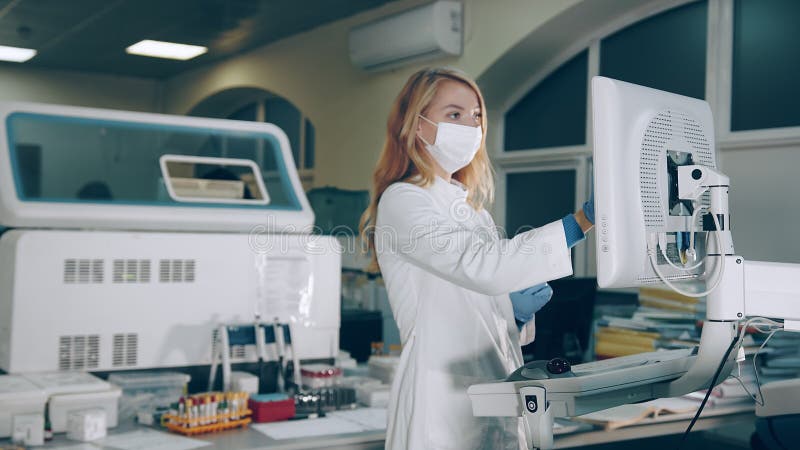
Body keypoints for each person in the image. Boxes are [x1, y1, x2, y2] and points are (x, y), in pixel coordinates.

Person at [359, 67, 594, 450]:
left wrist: (511, 314)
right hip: (439, 403)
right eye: (454, 114)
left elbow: (481, 295)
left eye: (477, 116)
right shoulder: (403, 200)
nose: (471, 126)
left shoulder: (474, 213)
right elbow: (483, 267)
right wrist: (580, 223)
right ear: (417, 125)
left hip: (495, 390)